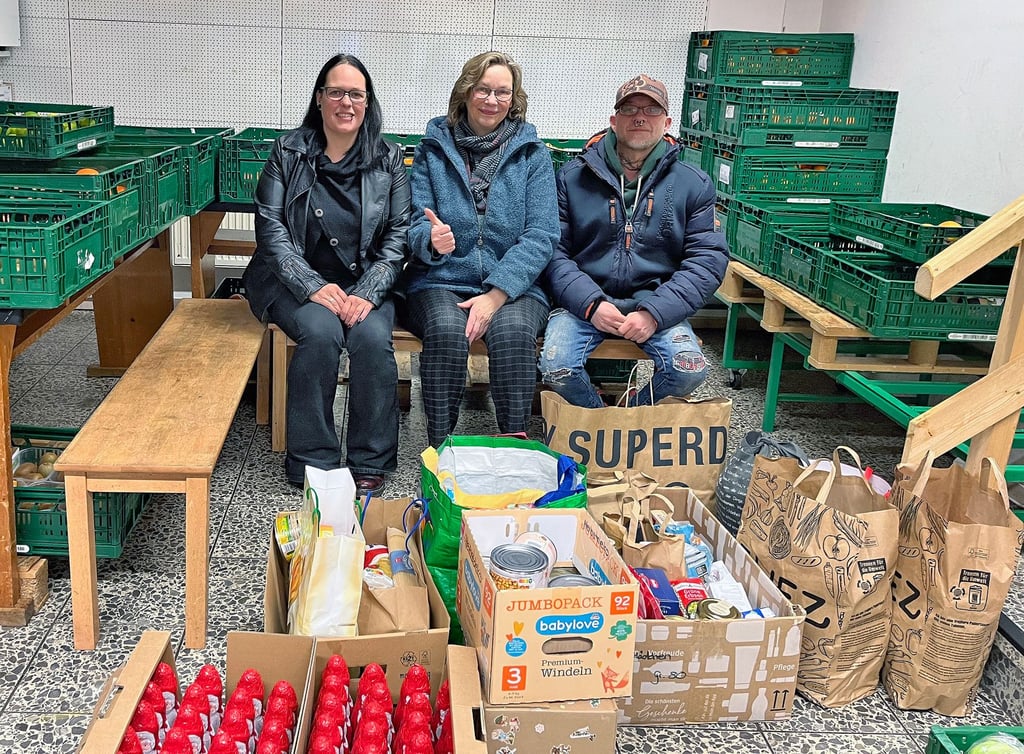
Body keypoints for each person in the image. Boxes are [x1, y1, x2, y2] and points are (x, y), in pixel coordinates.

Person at [243, 54, 410, 493]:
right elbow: (270, 229)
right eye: (335, 92)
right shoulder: (288, 150)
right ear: (319, 98)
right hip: (292, 278)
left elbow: (399, 235)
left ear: (368, 101)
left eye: (355, 94)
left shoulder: (389, 158)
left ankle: (370, 458)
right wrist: (312, 285)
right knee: (320, 334)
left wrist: (369, 291)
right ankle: (311, 459)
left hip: (366, 280)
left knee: (372, 339)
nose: (345, 103)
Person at [540, 74, 729, 407]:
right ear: (614, 121)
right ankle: (601, 421)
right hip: (583, 305)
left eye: (652, 110)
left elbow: (707, 261)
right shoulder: (571, 178)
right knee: (557, 369)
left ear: (667, 123)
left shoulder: (693, 184)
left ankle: (626, 418)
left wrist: (654, 313)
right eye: (629, 109)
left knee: (689, 371)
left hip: (656, 302)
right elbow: (553, 252)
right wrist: (591, 304)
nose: (640, 117)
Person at [400, 51, 559, 448]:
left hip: (516, 287)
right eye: (483, 89)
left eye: (502, 92)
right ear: (466, 92)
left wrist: (496, 294)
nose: (492, 100)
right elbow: (414, 223)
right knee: (446, 329)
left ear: (514, 99)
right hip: (440, 280)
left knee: (514, 332)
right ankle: (440, 448)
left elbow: (542, 234)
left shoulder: (532, 154)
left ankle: (514, 446)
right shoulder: (433, 149)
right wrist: (430, 240)